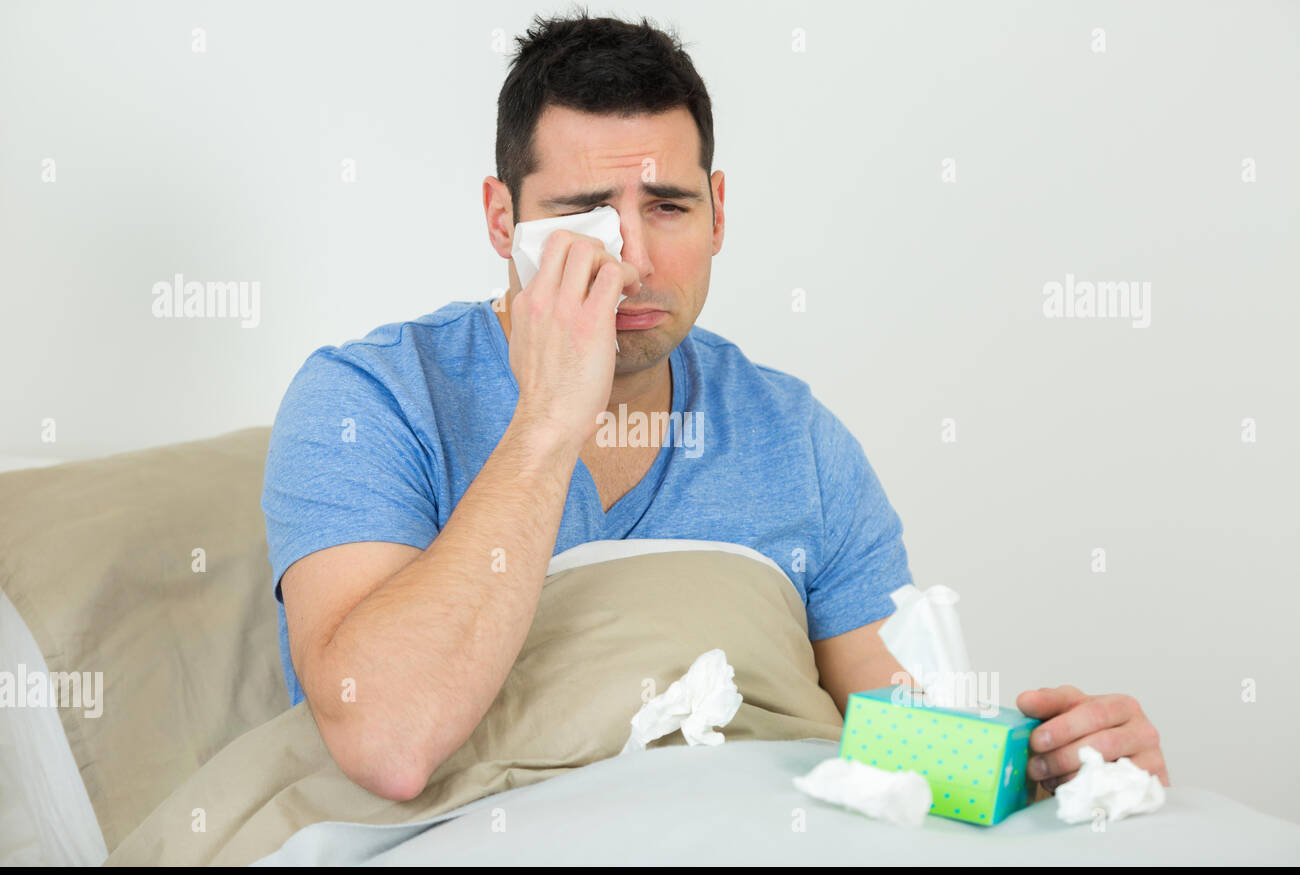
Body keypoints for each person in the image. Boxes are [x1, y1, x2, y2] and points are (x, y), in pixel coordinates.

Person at [262, 12, 1167, 803]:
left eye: (668, 207)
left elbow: (909, 747)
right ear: (503, 221)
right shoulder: (369, 400)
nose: (635, 264)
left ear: (719, 211)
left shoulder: (794, 436)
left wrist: (1048, 766)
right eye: (585, 214)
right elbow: (385, 742)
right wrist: (548, 421)